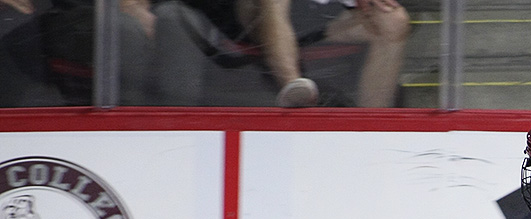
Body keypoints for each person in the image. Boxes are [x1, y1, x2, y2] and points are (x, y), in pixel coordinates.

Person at [151, 0, 409, 107]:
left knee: (393, 21)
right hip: (245, 21)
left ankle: (374, 123)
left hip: (319, 23)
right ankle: (294, 88)